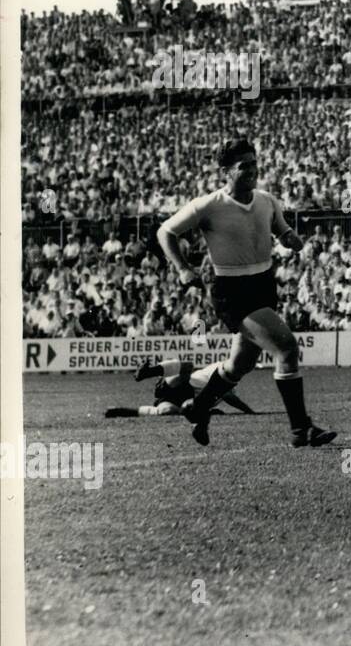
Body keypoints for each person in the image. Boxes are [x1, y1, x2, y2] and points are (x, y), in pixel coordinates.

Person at [155, 137, 335, 448]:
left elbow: (280, 228)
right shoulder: (208, 206)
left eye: (254, 163)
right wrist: (184, 269)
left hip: (264, 283)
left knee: (240, 364)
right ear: (225, 171)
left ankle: (197, 407)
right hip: (232, 290)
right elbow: (165, 231)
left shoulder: (266, 200)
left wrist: (290, 238)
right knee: (287, 348)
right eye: (244, 166)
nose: (252, 170)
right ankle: (300, 429)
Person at [105, 358, 255, 418]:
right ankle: (149, 372)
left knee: (165, 411)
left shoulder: (234, 379)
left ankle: (118, 411)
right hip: (180, 385)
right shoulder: (224, 367)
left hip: (181, 398)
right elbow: (229, 396)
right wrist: (250, 412)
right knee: (188, 366)